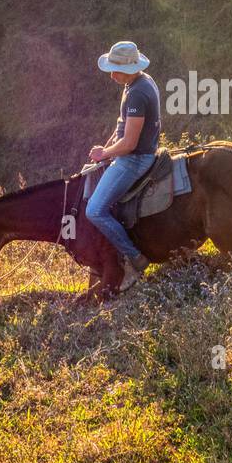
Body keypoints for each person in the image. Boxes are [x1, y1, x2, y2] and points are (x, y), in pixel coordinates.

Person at [84, 40, 161, 292]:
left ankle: (134, 258)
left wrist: (105, 153)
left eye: (115, 70)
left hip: (135, 158)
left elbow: (128, 143)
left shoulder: (138, 93)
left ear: (128, 69)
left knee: (94, 210)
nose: (111, 75)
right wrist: (103, 152)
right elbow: (121, 126)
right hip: (129, 153)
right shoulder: (137, 82)